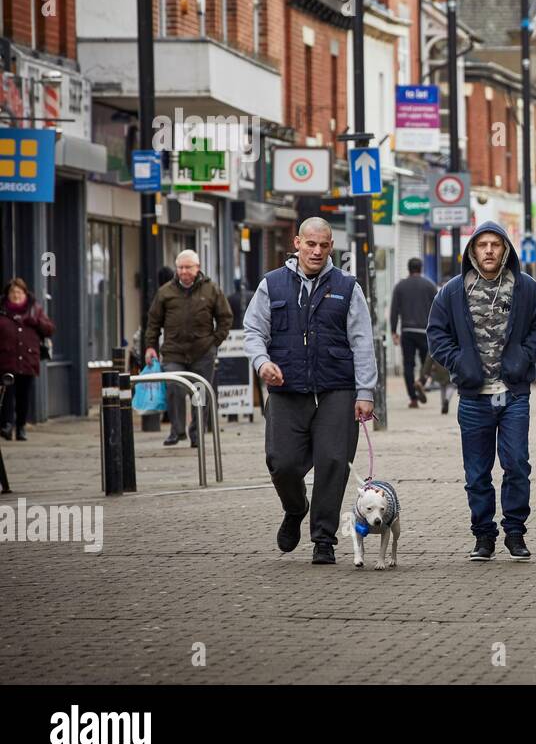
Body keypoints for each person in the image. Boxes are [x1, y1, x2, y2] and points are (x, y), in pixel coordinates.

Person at [243, 218, 377, 566]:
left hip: (337, 388)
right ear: (297, 242)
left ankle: (324, 539)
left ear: (331, 247)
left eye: (325, 245)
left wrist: (366, 392)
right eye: (311, 244)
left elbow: (362, 341)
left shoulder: (347, 286)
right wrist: (261, 363)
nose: (317, 251)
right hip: (287, 388)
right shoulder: (272, 284)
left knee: (333, 463)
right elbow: (253, 330)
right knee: (282, 462)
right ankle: (295, 508)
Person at [427, 222, 536, 562]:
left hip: (512, 394)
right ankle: (483, 536)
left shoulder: (526, 289)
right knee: (477, 472)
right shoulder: (453, 291)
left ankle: (515, 532)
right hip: (473, 397)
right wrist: (458, 362)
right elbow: (436, 335)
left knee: (516, 464)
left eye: (495, 245)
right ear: (472, 250)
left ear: (505, 250)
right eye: (482, 244)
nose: (488, 250)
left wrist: (524, 356)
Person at [145, 250, 233, 448]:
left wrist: (214, 342)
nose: (184, 271)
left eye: (188, 267)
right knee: (174, 388)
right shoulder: (165, 292)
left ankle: (196, 433)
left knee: (200, 393)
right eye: (180, 267)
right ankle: (177, 431)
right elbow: (153, 322)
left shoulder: (211, 290)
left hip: (202, 352)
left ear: (197, 268)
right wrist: (150, 346)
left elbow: (225, 317)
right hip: (174, 351)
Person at [0, 278, 55, 442]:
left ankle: (21, 427)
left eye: (19, 292)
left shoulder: (35, 309)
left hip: (27, 360)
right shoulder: (2, 310)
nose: (15, 295)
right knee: (6, 395)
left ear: (25, 294)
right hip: (6, 359)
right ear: (7, 294)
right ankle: (7, 426)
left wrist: (37, 322)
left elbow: (50, 329)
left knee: (23, 396)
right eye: (12, 292)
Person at [390, 256, 439, 409]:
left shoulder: (400, 286)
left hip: (407, 331)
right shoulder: (430, 286)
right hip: (426, 331)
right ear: (421, 269)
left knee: (408, 364)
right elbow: (438, 310)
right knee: (427, 364)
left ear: (408, 269)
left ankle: (413, 398)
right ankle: (421, 382)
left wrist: (393, 331)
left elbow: (394, 310)